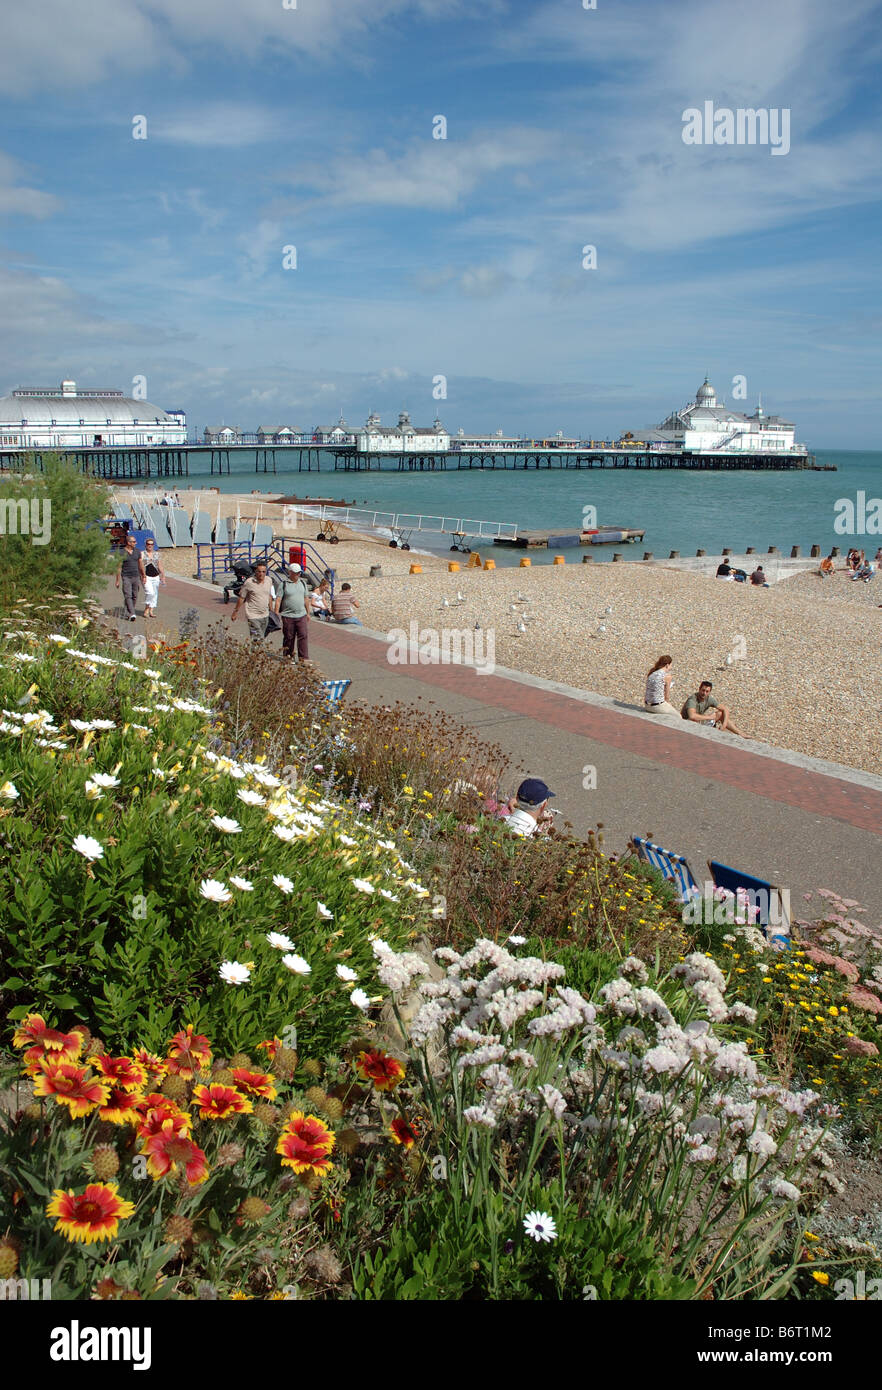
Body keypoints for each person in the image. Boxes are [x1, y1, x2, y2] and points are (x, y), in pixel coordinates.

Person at [230, 558, 275, 642]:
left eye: (263, 572)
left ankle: (255, 653)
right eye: (259, 571)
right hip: (253, 616)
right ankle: (259, 654)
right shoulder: (249, 582)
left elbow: (269, 596)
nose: (261, 574)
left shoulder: (269, 580)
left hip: (265, 615)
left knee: (260, 638)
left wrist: (272, 611)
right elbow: (241, 598)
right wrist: (235, 612)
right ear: (255, 572)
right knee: (258, 638)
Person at [682, 680, 746, 736]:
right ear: (699, 689)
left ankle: (739, 733)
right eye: (703, 690)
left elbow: (725, 709)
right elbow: (692, 716)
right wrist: (709, 717)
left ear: (709, 692)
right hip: (687, 722)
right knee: (694, 719)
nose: (704, 693)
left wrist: (724, 725)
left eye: (707, 691)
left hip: (699, 721)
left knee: (720, 714)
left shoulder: (708, 699)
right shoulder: (692, 699)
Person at [275, 561, 311, 661]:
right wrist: (276, 613)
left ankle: (303, 658)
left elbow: (306, 599)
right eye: (296, 572)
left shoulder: (303, 583)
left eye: (299, 572)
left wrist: (308, 613)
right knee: (289, 637)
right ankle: (288, 656)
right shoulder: (284, 584)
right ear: (290, 572)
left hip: (301, 615)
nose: (298, 574)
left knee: (303, 636)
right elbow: (278, 600)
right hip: (288, 615)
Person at [115, 533, 146, 622]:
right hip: (126, 577)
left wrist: (143, 575)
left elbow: (140, 564)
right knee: (128, 595)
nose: (135, 543)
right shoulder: (122, 553)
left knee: (135, 596)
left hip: (136, 576)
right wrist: (117, 580)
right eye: (134, 542)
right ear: (128, 543)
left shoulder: (137, 551)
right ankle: (132, 613)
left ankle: (128, 611)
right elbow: (119, 567)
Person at [142, 537, 164, 618]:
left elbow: (160, 565)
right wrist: (142, 575)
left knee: (155, 593)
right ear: (146, 545)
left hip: (156, 576)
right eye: (148, 544)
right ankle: (147, 608)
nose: (150, 545)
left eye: (151, 544)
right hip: (147, 576)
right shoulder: (142, 554)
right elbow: (140, 565)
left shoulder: (156, 554)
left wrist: (163, 575)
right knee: (150, 592)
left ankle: (151, 610)